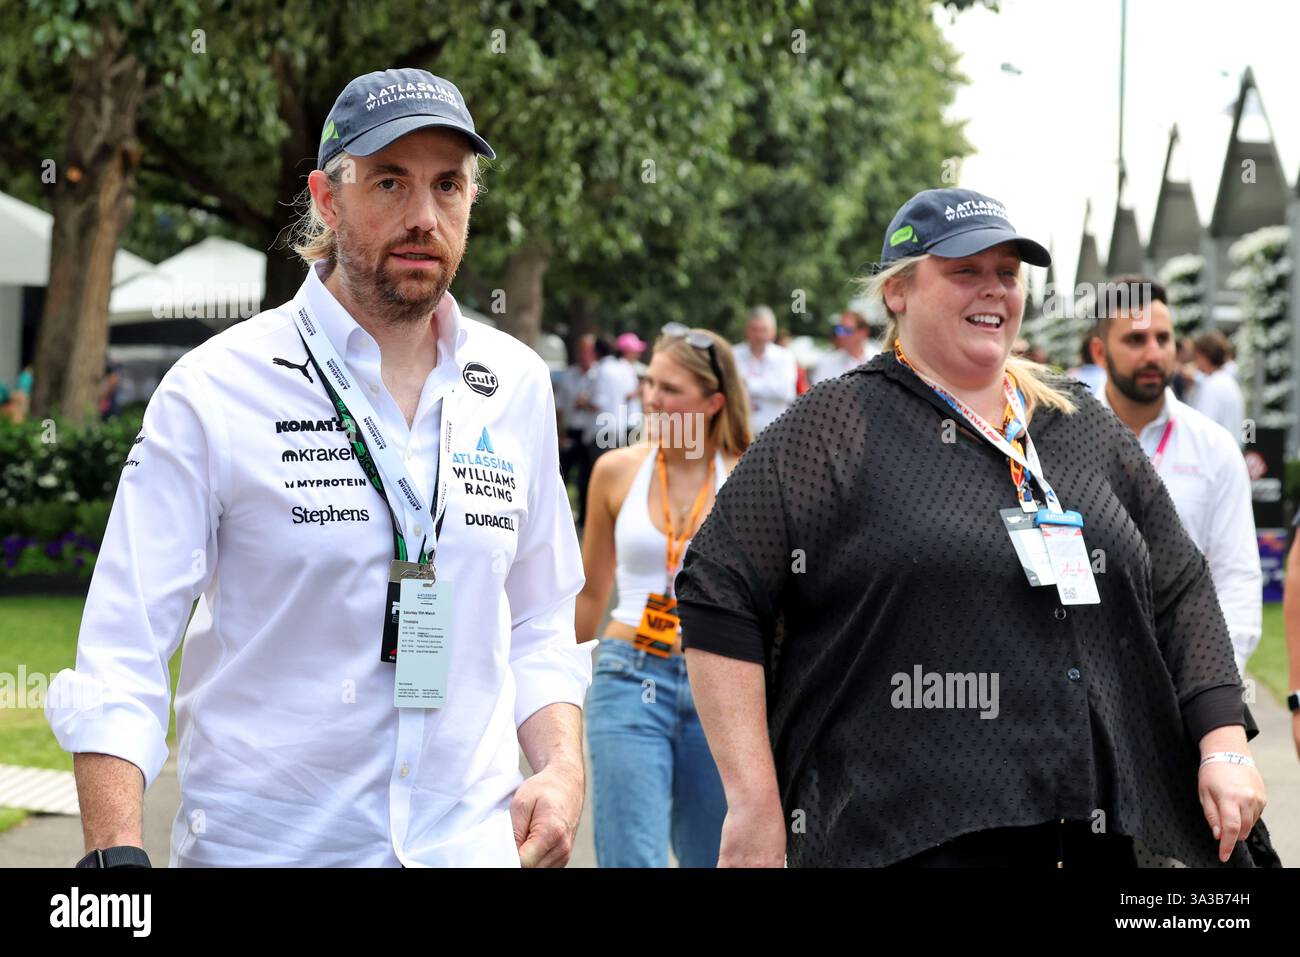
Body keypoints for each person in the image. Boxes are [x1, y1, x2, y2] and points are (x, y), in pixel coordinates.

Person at [45, 68, 593, 868]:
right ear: (327, 200)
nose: (423, 217)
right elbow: (123, 647)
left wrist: (560, 764)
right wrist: (114, 857)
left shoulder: (515, 385)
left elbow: (540, 617)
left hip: (468, 847)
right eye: (390, 183)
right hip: (268, 853)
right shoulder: (215, 388)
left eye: (449, 185)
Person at [675, 187, 1266, 868]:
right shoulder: (838, 425)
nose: (994, 290)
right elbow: (718, 586)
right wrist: (753, 802)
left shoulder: (1076, 420)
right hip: (906, 835)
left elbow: (1181, 582)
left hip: (1092, 825)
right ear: (897, 291)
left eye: (1007, 273)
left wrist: (1224, 742)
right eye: (965, 271)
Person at [575, 323, 751, 867]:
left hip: (720, 689)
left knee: (714, 856)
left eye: (671, 390)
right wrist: (556, 694)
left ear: (713, 402)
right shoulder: (615, 470)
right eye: (651, 382)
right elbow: (588, 598)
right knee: (632, 857)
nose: (652, 397)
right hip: (628, 675)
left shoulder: (749, 476)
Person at [1090, 276, 1261, 676]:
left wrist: (1212, 682)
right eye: (1135, 340)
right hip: (1089, 690)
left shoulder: (1214, 448)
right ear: (1100, 352)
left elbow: (1236, 576)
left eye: (1163, 339)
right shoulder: (1061, 440)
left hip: (1184, 682)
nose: (1153, 353)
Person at [556, 333, 600, 525]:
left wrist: (586, 403)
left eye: (588, 350)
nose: (584, 354)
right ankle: (558, 517)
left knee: (587, 477)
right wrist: (559, 433)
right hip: (571, 430)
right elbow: (559, 407)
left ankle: (584, 519)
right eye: (582, 350)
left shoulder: (600, 375)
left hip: (591, 432)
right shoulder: (569, 375)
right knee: (561, 474)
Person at [733, 305, 797, 434]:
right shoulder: (732, 354)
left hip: (774, 435)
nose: (759, 335)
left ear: (773, 331)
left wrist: (747, 384)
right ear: (746, 330)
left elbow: (785, 392)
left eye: (764, 330)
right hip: (739, 432)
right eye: (754, 329)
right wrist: (768, 387)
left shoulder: (784, 357)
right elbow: (730, 389)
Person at [1188, 330, 1245, 445]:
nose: (1195, 362)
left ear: (1205, 356)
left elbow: (1202, 429)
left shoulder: (1212, 385)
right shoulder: (1227, 381)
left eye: (1196, 356)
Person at [592, 332, 646, 449]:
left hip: (625, 422)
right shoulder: (622, 367)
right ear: (625, 351)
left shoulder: (622, 367)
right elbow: (626, 394)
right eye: (634, 350)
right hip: (625, 422)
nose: (638, 354)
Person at [810, 310, 878, 384]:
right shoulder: (826, 362)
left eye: (847, 330)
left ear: (863, 332)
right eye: (839, 329)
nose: (841, 335)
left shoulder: (878, 360)